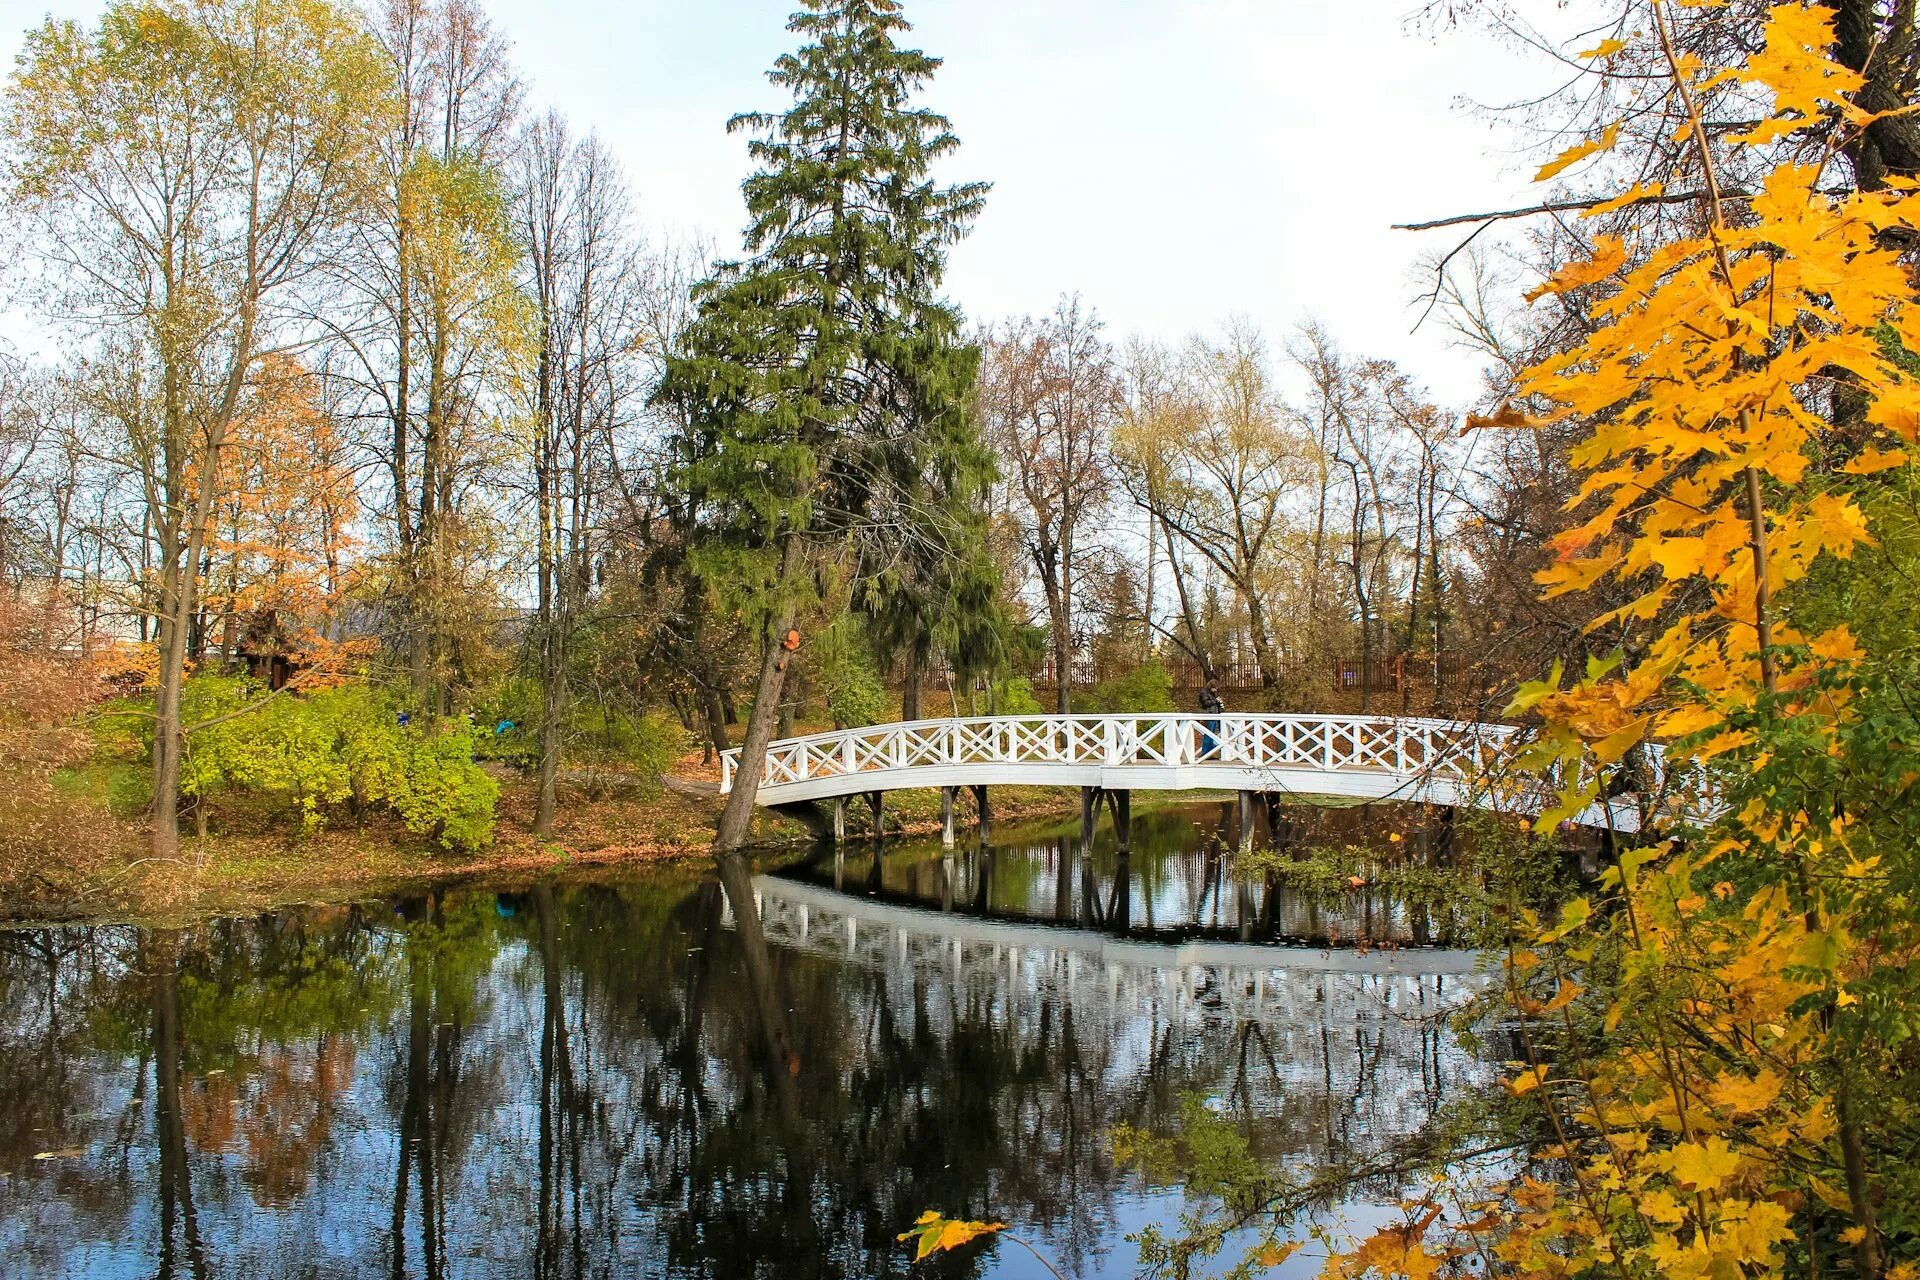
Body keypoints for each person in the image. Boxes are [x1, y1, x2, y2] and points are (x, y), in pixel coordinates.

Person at [1198, 681, 1225, 759]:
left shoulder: (1214, 694)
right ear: (1211, 687)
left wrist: (1220, 705)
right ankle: (1205, 752)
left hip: (1215, 715)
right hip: (1209, 715)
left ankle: (1210, 753)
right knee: (1208, 734)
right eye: (1215, 688)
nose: (1216, 690)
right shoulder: (1204, 693)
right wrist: (1215, 701)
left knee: (1212, 735)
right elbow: (1205, 703)